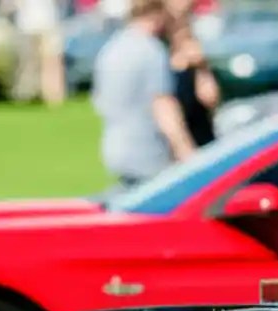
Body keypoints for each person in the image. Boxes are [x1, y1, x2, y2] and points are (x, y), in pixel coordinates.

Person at [93, 0, 195, 188]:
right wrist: (188, 155)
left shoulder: (112, 49)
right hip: (148, 152)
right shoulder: (151, 51)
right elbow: (163, 107)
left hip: (116, 148)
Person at [3, 0, 65, 106]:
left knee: (50, 61)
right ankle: (26, 93)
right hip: (27, 25)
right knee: (28, 62)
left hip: (47, 23)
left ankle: (51, 94)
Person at [168, 19, 219, 146]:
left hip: (202, 137)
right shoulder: (165, 71)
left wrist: (201, 68)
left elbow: (210, 98)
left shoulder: (196, 69)